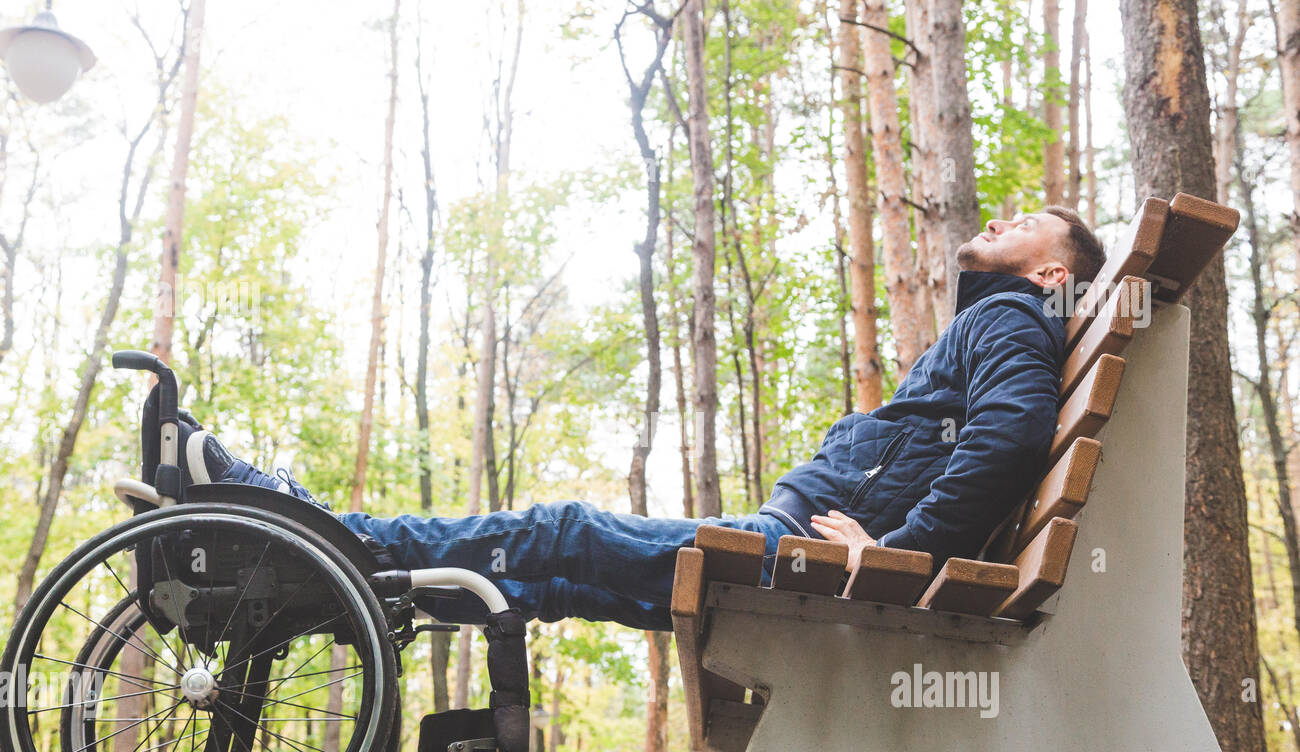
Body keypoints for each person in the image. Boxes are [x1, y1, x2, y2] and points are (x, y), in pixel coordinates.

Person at [178, 204, 1106, 631]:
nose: (1002, 219)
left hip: (803, 565)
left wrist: (896, 549)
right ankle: (282, 599)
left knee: (559, 532)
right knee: (535, 584)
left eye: (1029, 220)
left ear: (1051, 272)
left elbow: (1012, 438)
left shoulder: (1007, 314)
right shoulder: (1005, 322)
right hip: (796, 553)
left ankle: (314, 533)